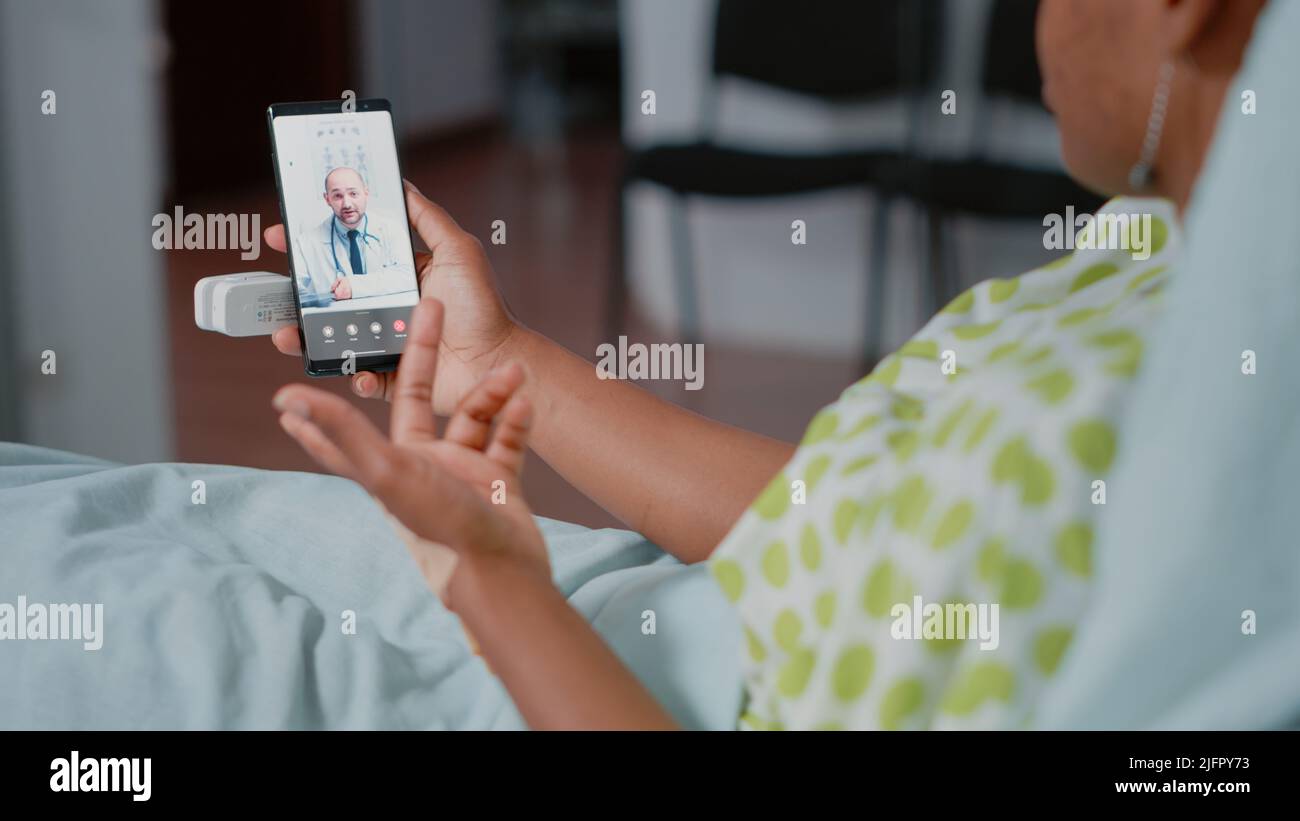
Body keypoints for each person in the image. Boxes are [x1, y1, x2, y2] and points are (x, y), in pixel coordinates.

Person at [267, 0, 1268, 729]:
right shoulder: (1158, 250)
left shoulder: (1233, 417)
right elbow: (844, 517)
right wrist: (500, 355)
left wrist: (489, 577)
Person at [292, 166, 417, 305]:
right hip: (335, 321)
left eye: (353, 194)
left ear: (366, 192)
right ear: (327, 199)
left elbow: (409, 276)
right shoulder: (306, 242)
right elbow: (296, 290)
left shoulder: (392, 229)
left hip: (387, 316)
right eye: (337, 196)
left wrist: (354, 286)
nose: (347, 204)